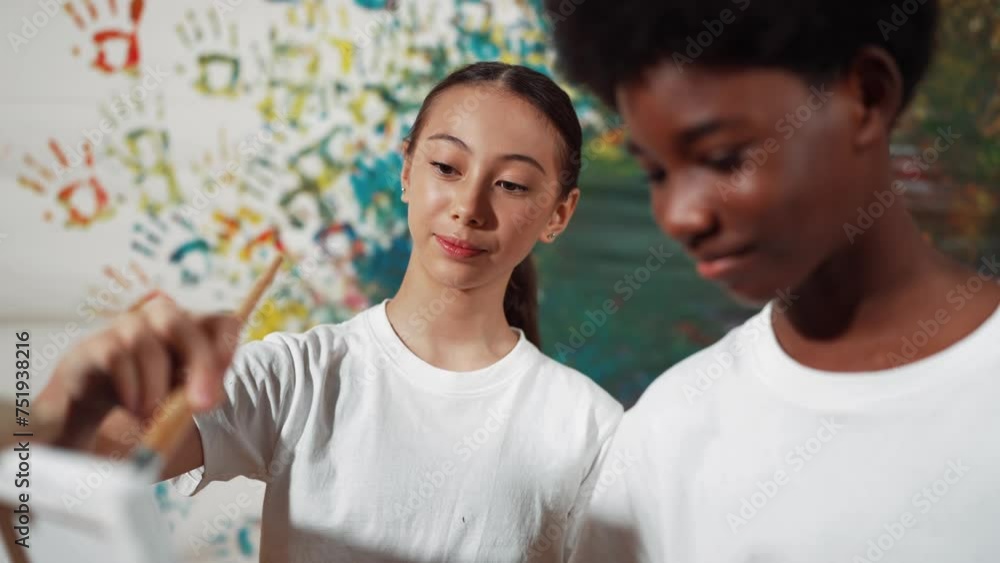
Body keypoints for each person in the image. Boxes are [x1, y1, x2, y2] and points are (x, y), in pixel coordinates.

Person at [37, 61, 622, 563]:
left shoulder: (591, 429)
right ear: (405, 170)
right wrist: (70, 409)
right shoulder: (298, 376)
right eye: (446, 167)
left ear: (559, 214)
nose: (468, 207)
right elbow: (56, 472)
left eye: (513, 185)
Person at [545, 1, 1000, 561]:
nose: (682, 215)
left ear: (867, 97)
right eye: (657, 172)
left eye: (722, 157)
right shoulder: (665, 438)